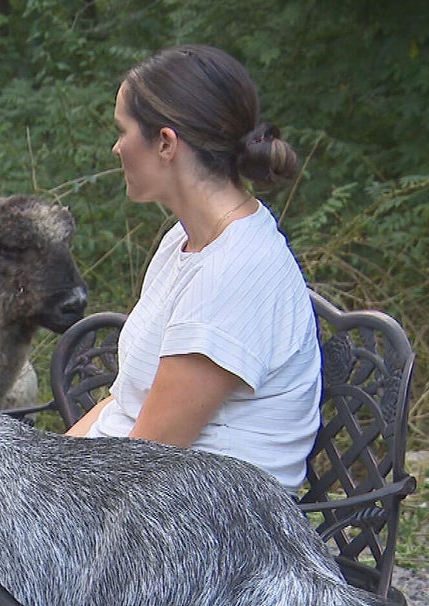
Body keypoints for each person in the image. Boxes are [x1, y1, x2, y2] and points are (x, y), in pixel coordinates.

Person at [66, 45, 321, 493]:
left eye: (122, 130)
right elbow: (123, 402)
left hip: (211, 529)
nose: (116, 147)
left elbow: (151, 453)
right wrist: (43, 467)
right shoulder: (180, 243)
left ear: (165, 143)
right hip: (143, 497)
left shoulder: (239, 270)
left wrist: (39, 497)